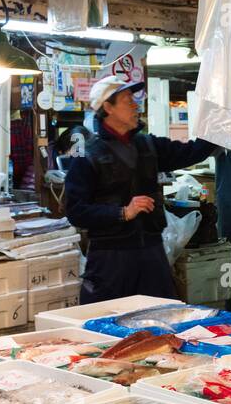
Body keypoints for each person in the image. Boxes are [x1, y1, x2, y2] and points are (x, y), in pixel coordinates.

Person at [64, 76, 217, 304]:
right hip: (110, 258)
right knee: (104, 324)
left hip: (151, 254)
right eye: (128, 100)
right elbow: (75, 211)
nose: (136, 106)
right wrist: (123, 212)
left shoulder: (148, 145)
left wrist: (221, 125)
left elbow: (192, 152)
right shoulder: (87, 155)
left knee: (163, 320)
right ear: (108, 107)